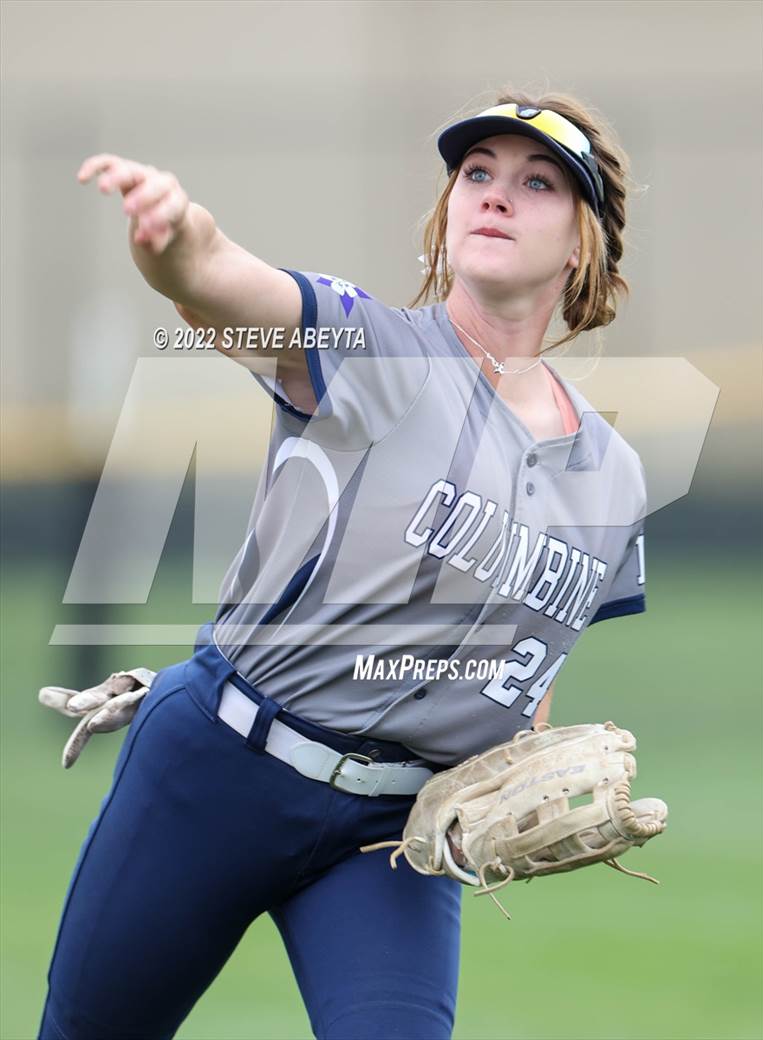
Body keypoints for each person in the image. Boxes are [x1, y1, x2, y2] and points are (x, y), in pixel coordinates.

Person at [38, 90, 647, 1040]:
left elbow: (527, 669)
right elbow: (219, 281)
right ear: (447, 213)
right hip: (216, 771)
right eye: (475, 175)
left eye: (536, 182)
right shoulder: (374, 350)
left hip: (390, 837)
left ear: (583, 244)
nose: (495, 194)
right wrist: (172, 235)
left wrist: (516, 768)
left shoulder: (613, 475)